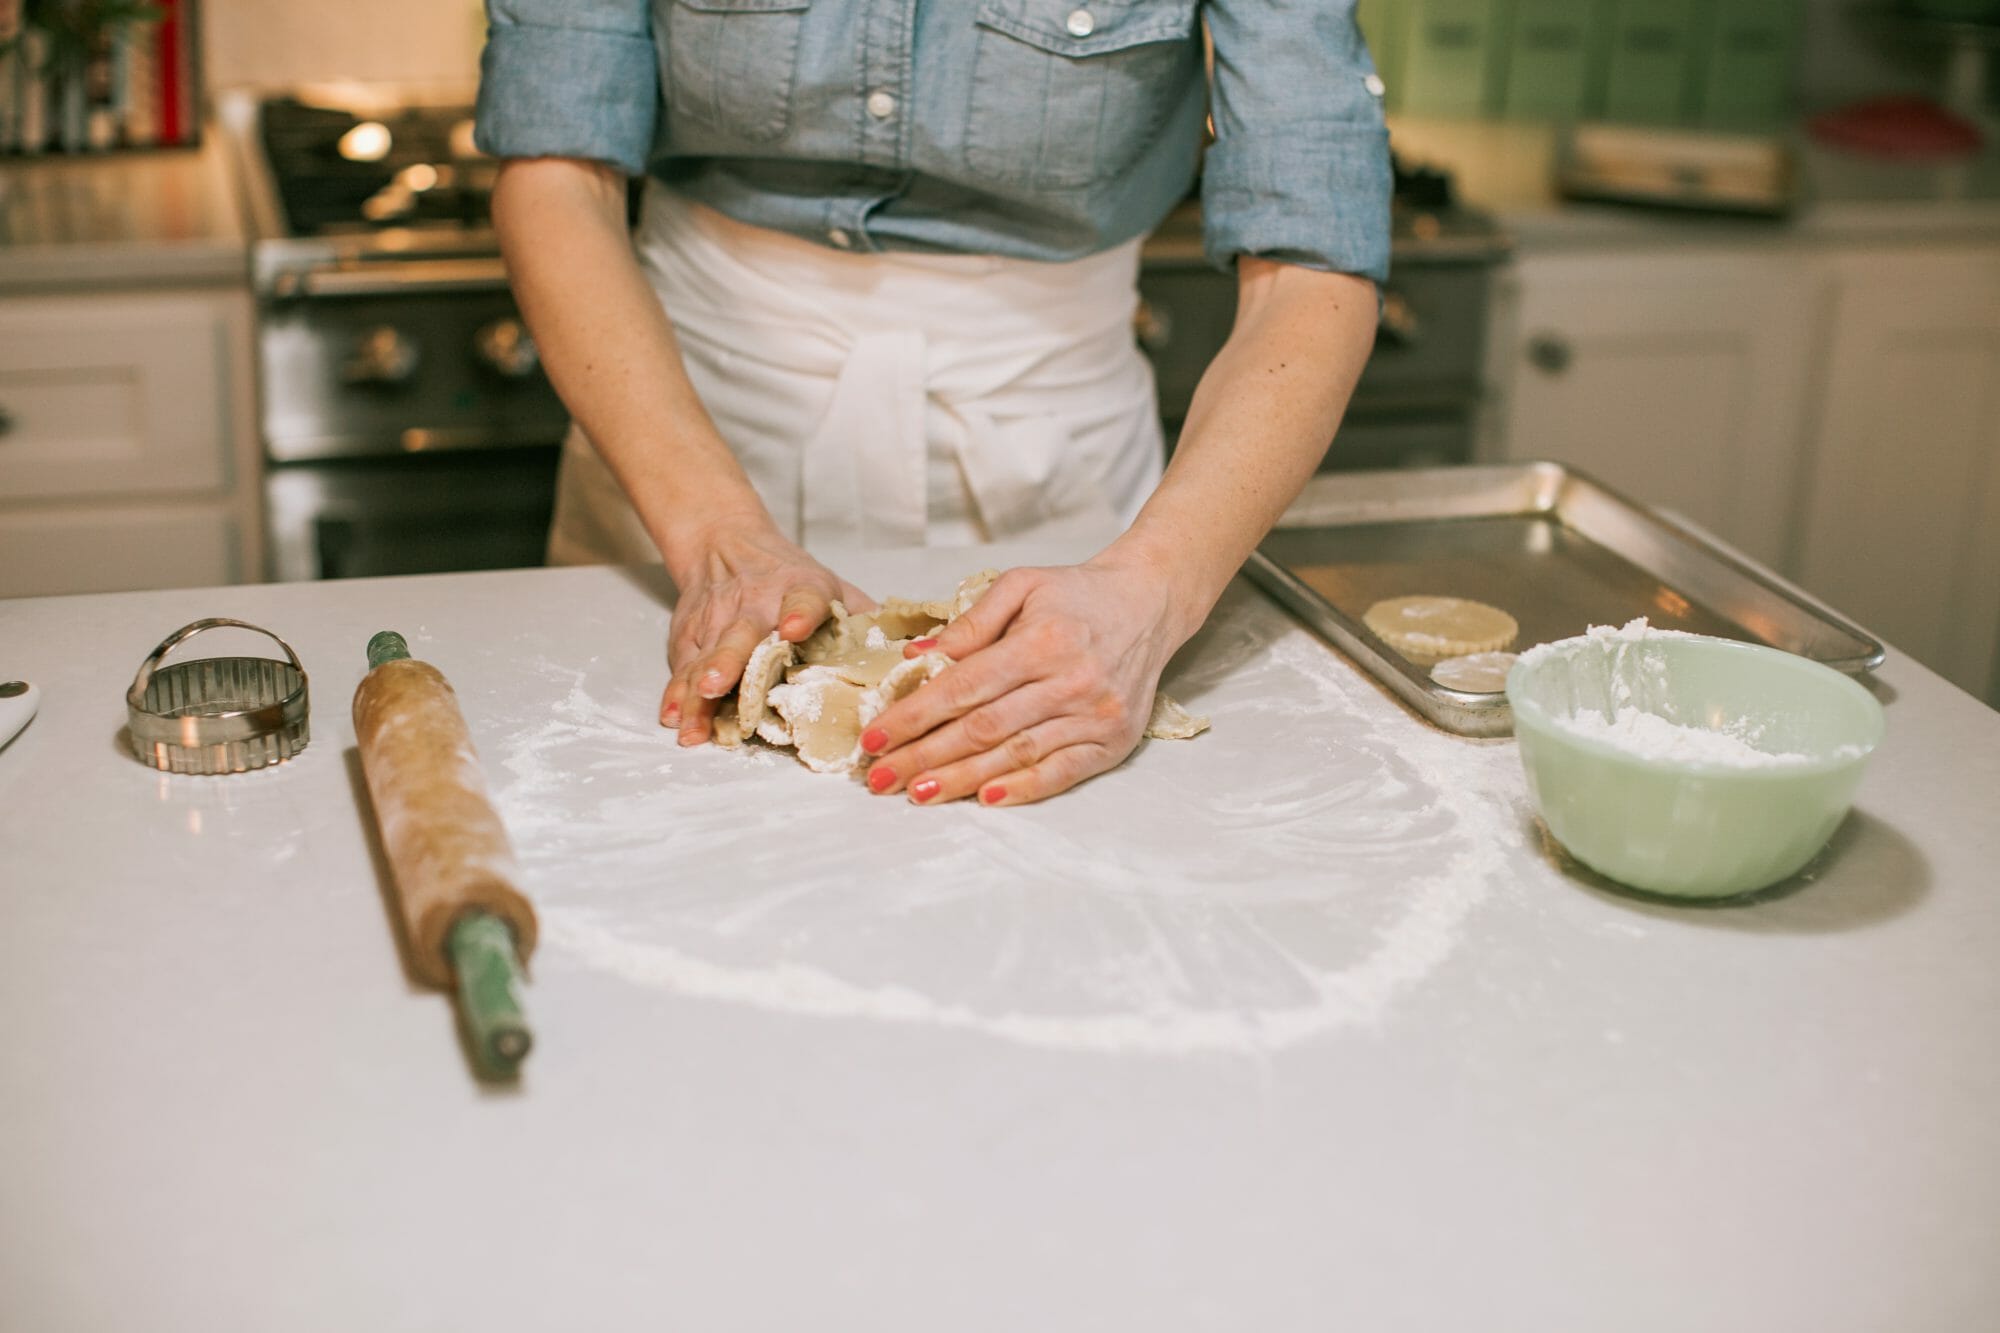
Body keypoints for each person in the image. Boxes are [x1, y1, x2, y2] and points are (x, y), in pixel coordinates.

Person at [476, 0, 1390, 806]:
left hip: (1057, 464)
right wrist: (715, 534)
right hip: (677, 444)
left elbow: (1310, 268)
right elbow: (558, 177)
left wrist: (1149, 590)